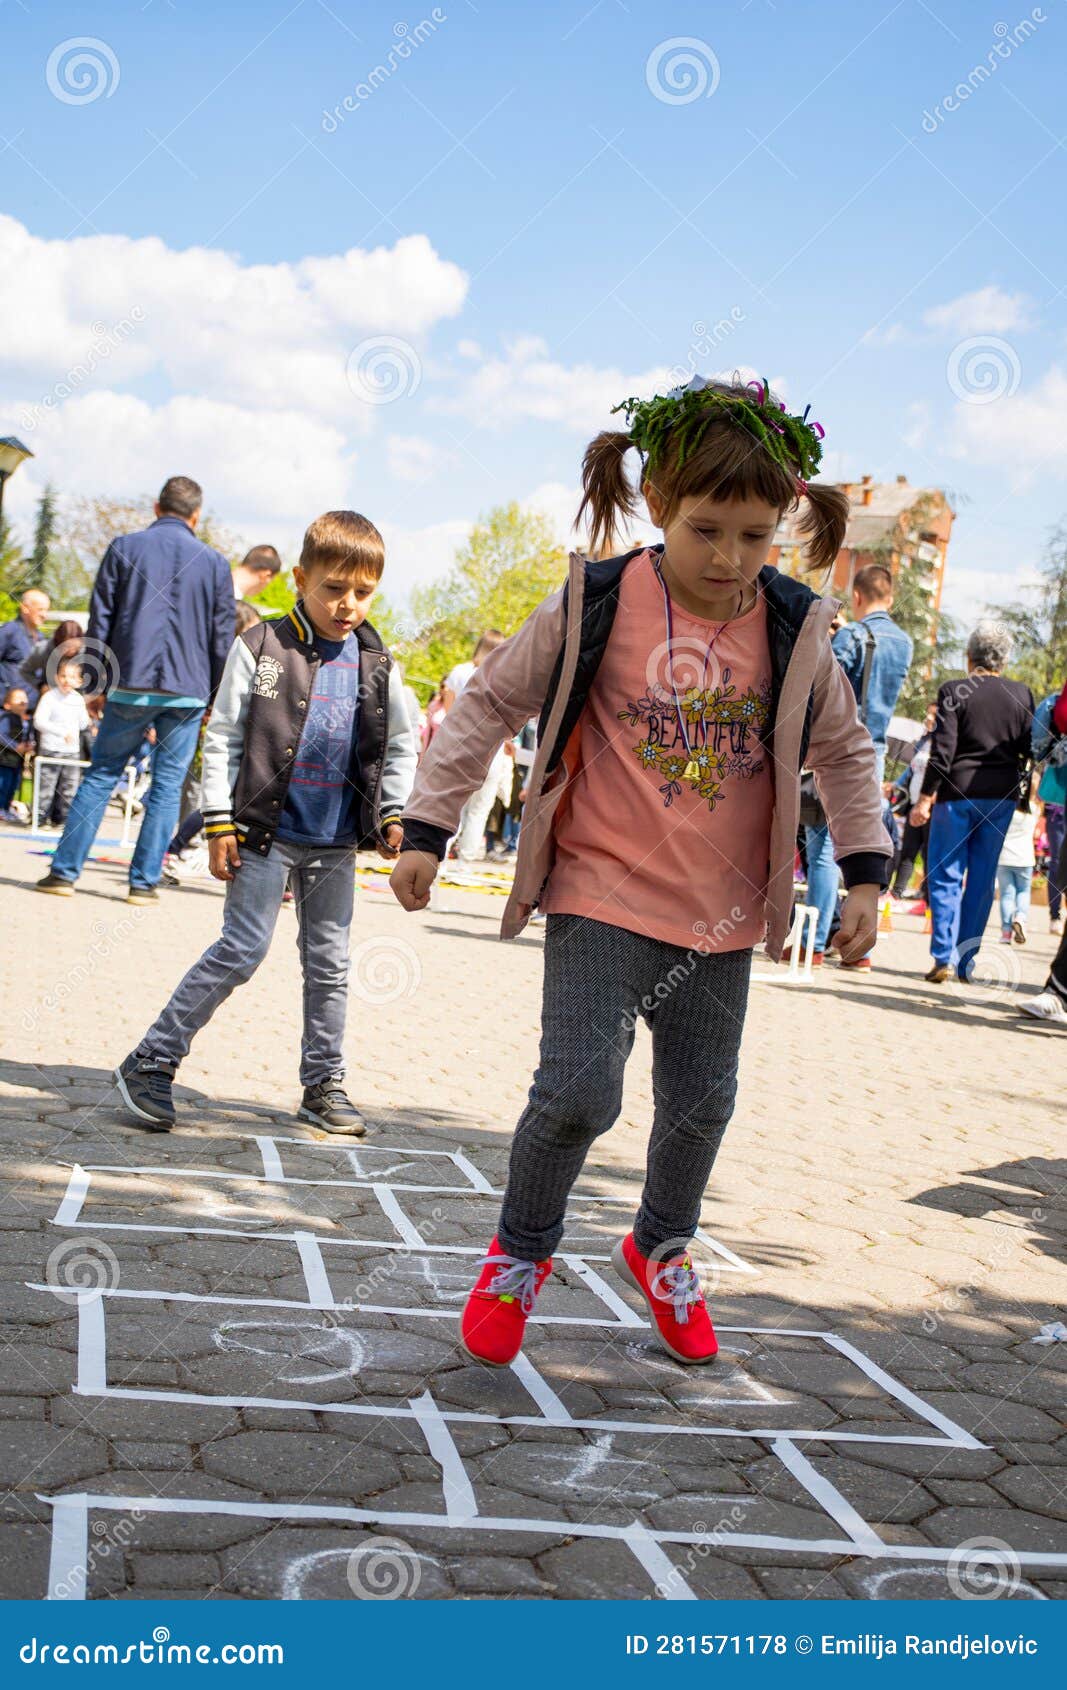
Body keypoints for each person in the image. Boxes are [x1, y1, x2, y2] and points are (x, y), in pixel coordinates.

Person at [392, 374, 891, 1368]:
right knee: (579, 1091)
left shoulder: (795, 627)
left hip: (722, 912)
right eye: (707, 531)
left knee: (702, 1099)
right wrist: (427, 824)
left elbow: (842, 753)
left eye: (754, 536)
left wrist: (866, 872)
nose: (730, 558)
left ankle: (659, 1243)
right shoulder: (600, 598)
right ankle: (519, 1253)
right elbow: (488, 705)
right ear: (659, 505)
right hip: (598, 887)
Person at [113, 510, 418, 1134]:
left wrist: (392, 810)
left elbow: (400, 744)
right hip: (263, 832)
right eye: (333, 589)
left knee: (330, 963)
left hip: (333, 840)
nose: (347, 605)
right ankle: (151, 1059)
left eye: (362, 592)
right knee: (243, 949)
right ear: (301, 579)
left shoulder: (377, 661)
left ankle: (322, 1085)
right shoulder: (262, 647)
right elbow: (223, 734)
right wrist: (219, 823)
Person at [35, 476, 235, 904]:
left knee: (101, 775)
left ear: (156, 507)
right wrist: (216, 693)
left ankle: (64, 873)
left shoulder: (124, 548)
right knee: (167, 785)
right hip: (188, 689)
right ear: (195, 516)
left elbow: (100, 618)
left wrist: (96, 683)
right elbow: (222, 635)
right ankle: (142, 884)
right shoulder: (215, 564)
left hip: (128, 682)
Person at [802, 563, 912, 970]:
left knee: (824, 848)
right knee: (864, 838)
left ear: (860, 596)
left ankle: (812, 943)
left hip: (840, 747)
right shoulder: (903, 642)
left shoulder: (853, 634)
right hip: (877, 748)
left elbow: (826, 691)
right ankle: (860, 949)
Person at [911, 621, 1034, 983]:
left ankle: (943, 957)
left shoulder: (954, 690)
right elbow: (1028, 751)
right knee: (982, 880)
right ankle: (967, 962)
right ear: (1004, 659)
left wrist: (924, 797)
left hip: (955, 794)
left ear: (970, 657)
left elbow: (943, 752)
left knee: (946, 874)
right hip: (1001, 798)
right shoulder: (1022, 694)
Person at [443, 632, 514, 875]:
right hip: (491, 749)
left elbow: (448, 712)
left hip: (460, 745)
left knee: (453, 804)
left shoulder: (459, 672)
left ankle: (439, 853)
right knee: (479, 809)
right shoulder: (504, 677)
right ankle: (465, 862)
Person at [888, 700, 937, 906]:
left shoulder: (945, 743)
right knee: (908, 849)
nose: (928, 718)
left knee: (929, 853)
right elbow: (911, 771)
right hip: (915, 803)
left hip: (933, 807)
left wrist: (933, 796)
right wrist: (894, 785)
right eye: (927, 714)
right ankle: (897, 892)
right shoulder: (922, 742)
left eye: (933, 715)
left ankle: (927, 898)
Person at [32, 657, 90, 827]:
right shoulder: (50, 697)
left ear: (79, 681)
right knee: (47, 785)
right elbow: (39, 721)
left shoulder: (78, 699)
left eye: (72, 677)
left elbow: (82, 723)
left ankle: (63, 818)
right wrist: (60, 732)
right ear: (57, 677)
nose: (66, 680)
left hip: (72, 750)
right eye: (63, 676)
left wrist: (86, 721)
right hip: (51, 748)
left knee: (69, 786)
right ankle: (40, 817)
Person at [1032, 685, 1067, 937]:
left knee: (1057, 862)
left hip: (1059, 792)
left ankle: (1056, 916)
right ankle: (1055, 915)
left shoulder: (1055, 701)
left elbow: (1037, 745)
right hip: (1057, 801)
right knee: (1056, 862)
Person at [996, 782, 1036, 944]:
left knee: (1006, 895)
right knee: (1023, 892)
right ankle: (1020, 917)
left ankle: (1006, 933)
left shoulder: (1004, 809)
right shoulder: (1033, 810)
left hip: (1004, 858)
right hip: (1025, 858)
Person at [0, 589, 51, 704]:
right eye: (40, 610)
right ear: (25, 608)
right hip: (8, 710)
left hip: (33, 707)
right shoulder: (9, 631)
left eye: (47, 610)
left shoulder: (41, 637)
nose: (44, 615)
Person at [19, 619, 84, 699]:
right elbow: (24, 670)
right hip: (51, 697)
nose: (71, 651)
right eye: (67, 647)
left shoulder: (86, 653)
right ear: (58, 642)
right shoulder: (43, 650)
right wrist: (40, 685)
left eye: (75, 647)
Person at [0, 686, 32, 818]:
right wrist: (15, 746)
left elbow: (28, 737)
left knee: (13, 786)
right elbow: (1, 735)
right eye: (18, 699)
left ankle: (7, 808)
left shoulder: (26, 721)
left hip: (17, 761)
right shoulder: (6, 717)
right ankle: (1, 808)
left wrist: (30, 746)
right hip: (4, 759)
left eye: (24, 698)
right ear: (7, 705)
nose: (22, 701)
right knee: (3, 784)